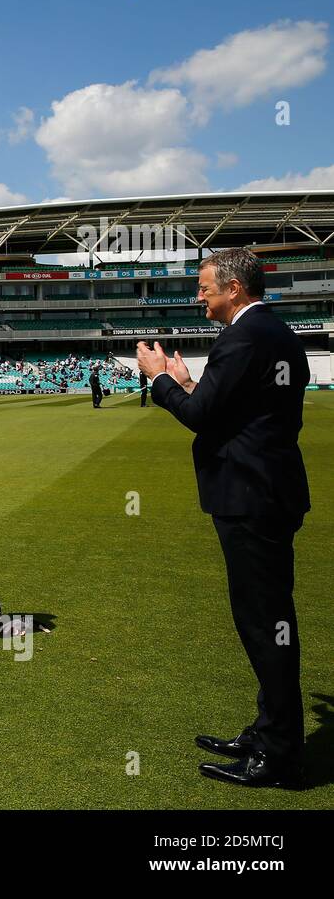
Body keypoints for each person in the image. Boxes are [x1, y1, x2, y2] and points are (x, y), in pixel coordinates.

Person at [136, 247, 310, 789]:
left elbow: (199, 417)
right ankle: (267, 731)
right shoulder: (274, 334)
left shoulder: (244, 337)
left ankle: (278, 752)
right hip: (267, 492)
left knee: (264, 623)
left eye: (205, 288)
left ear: (234, 288)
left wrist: (161, 378)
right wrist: (190, 382)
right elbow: (231, 411)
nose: (199, 296)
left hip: (251, 497)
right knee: (266, 619)